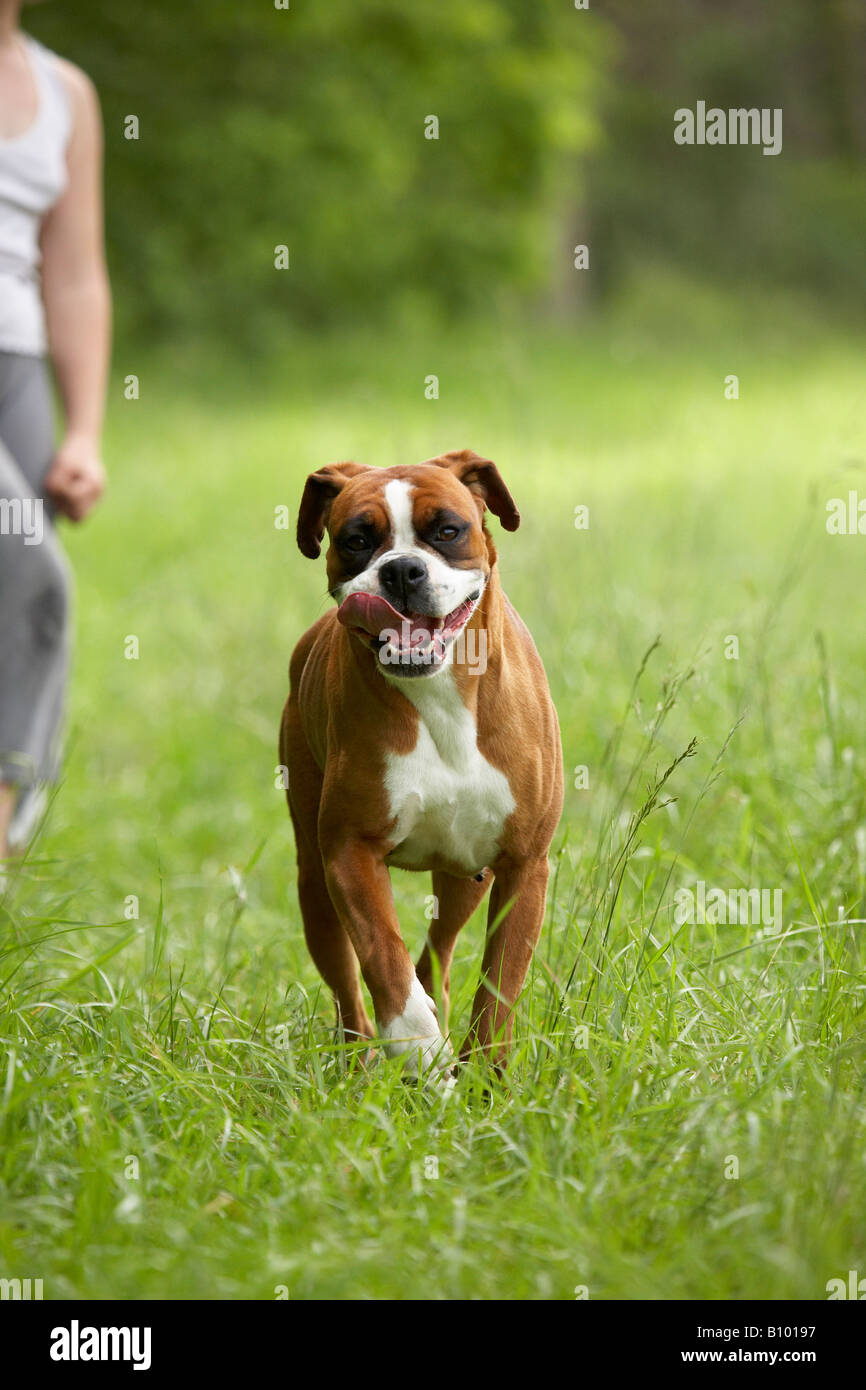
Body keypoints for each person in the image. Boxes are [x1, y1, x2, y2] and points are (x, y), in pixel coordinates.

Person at [0, 0, 110, 858]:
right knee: (32, 579)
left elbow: (74, 274)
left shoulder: (63, 89)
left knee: (19, 602)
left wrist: (82, 434)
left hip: (19, 371)